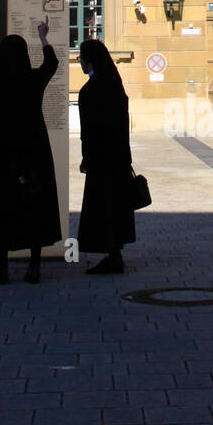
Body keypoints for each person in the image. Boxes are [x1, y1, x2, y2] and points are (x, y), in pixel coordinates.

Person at [0, 19, 60, 284]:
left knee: (4, 210)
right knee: (34, 208)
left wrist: (1, 128)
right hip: (33, 154)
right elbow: (51, 65)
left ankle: (2, 268)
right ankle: (33, 266)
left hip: (4, 157)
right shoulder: (32, 81)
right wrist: (43, 37)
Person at [75, 37, 135, 275]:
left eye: (81, 58)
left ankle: (112, 255)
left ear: (90, 61)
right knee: (117, 205)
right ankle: (116, 251)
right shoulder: (115, 86)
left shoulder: (89, 91)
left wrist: (86, 158)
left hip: (100, 159)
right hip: (119, 157)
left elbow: (88, 131)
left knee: (103, 207)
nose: (80, 62)